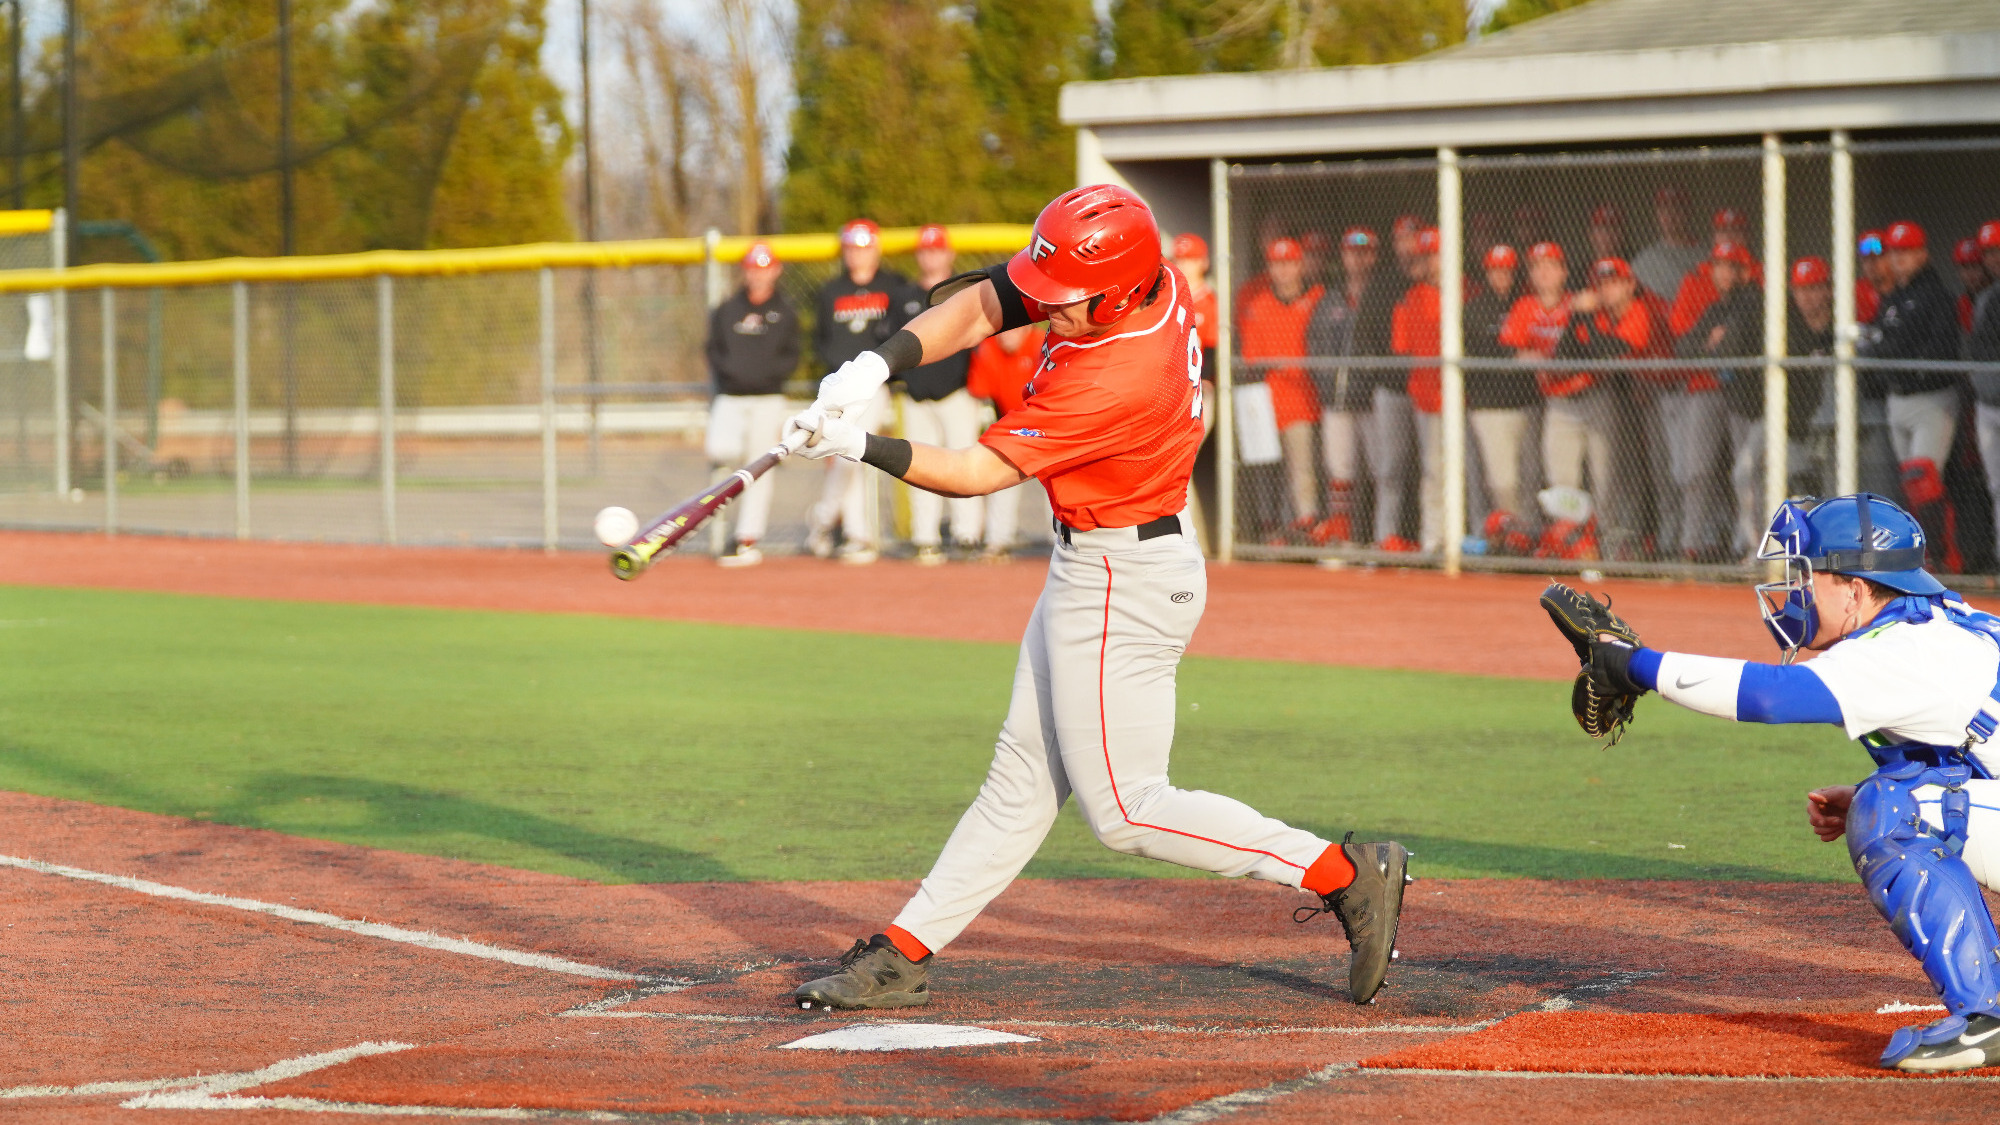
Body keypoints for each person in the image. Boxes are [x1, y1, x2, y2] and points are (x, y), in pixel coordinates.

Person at [779, 184, 1411, 1012]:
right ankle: (904, 949)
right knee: (1021, 778)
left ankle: (1344, 873)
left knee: (1128, 809)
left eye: (1064, 303)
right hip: (1096, 563)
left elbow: (975, 473)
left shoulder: (1119, 372)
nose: (1045, 314)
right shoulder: (1140, 278)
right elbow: (984, 301)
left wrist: (857, 443)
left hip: (1128, 577)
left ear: (1115, 291)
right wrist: (874, 364)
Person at [1574, 493, 2000, 1072]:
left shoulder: (1903, 651)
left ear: (1855, 589)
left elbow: (1769, 697)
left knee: (1897, 811)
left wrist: (1635, 664)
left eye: (1809, 576)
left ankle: (1986, 1017)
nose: (1794, 591)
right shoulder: (1938, 628)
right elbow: (1963, 755)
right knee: (1893, 799)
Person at [805, 218, 907, 565]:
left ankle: (845, 529)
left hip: (875, 387)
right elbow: (820, 340)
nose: (858, 255)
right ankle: (834, 526)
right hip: (837, 386)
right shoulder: (831, 291)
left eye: (863, 248)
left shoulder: (893, 287)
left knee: (853, 455)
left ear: (875, 249)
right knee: (846, 457)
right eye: (851, 248)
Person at [1862, 221, 1963, 567]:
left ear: (1922, 253)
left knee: (1924, 477)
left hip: (1931, 399)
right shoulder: (1892, 299)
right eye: (1895, 252)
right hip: (1897, 400)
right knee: (1911, 484)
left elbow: (1939, 349)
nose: (1900, 258)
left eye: (1907, 251)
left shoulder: (1935, 295)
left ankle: (1942, 555)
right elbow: (1879, 347)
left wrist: (1892, 352)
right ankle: (1924, 554)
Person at [1549, 257, 1665, 551]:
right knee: (1615, 473)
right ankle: (1581, 543)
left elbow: (1609, 352)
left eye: (1614, 283)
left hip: (1658, 395)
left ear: (1629, 284)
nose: (1607, 290)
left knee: (1650, 474)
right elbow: (1565, 356)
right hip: (1620, 397)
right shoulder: (1598, 315)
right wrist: (1577, 317)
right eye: (1602, 284)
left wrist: (1585, 319)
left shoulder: (1639, 310)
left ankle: (1633, 542)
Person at [701, 241, 800, 567]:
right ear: (744, 271)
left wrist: (766, 376)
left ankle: (746, 537)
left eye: (764, 268)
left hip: (768, 398)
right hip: (731, 397)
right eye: (752, 268)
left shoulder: (785, 311)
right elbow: (713, 350)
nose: (758, 275)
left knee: (760, 466)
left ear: (775, 270)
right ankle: (714, 529)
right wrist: (734, 374)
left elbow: (792, 354)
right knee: (720, 452)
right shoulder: (727, 309)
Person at [894, 225, 983, 565]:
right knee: (919, 468)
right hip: (918, 396)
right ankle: (925, 537)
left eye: (937, 249)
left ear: (949, 253)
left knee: (965, 463)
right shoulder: (904, 296)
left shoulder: (964, 290)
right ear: (919, 255)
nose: (931, 256)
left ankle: (967, 534)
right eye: (926, 250)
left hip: (958, 393)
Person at [1305, 227, 1394, 546]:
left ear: (1374, 255)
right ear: (1342, 256)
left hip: (1371, 400)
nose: (1358, 258)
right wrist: (1328, 384)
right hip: (1337, 399)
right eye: (1352, 252)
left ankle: (1376, 536)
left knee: (1379, 469)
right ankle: (1343, 537)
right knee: (1340, 470)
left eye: (1365, 251)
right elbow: (1314, 344)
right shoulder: (1330, 299)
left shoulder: (1383, 297)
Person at [1676, 241, 1765, 558]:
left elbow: (1733, 346)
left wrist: (1717, 342)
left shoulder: (1753, 300)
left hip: (1761, 405)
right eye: (1719, 266)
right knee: (1744, 476)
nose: (1723, 273)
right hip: (1736, 403)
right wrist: (1710, 341)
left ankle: (1759, 547)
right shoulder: (1717, 307)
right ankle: (1748, 545)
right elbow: (1683, 348)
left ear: (1743, 270)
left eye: (1731, 266)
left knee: (1750, 475)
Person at [1235, 237, 1324, 538]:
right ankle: (1271, 532)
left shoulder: (1318, 299)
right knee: (1267, 473)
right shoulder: (1258, 305)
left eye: (1289, 263)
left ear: (1300, 265)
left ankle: (1306, 529)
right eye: (1277, 264)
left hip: (1303, 401)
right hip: (1267, 402)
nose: (1284, 271)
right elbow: (1252, 360)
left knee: (1302, 472)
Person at [1464, 243, 1538, 552]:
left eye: (1506, 269)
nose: (1501, 276)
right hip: (1489, 406)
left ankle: (1528, 537)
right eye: (1496, 269)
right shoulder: (1475, 308)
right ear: (1487, 271)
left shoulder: (1526, 303)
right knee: (1502, 480)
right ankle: (1506, 540)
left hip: (1526, 403)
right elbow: (1481, 352)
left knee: (1531, 476)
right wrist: (1514, 356)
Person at [964, 321, 1045, 561]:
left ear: (1025, 329)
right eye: (1002, 332)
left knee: (1056, 486)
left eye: (1012, 330)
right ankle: (998, 540)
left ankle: (1062, 540)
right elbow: (980, 391)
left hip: (1044, 423)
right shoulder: (989, 348)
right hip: (1010, 423)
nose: (1006, 337)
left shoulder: (1040, 343)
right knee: (1000, 480)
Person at [1395, 227, 1447, 552]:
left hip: (1465, 400)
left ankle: (1479, 539)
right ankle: (1433, 540)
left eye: (1437, 254)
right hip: (1427, 398)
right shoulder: (1411, 296)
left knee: (1472, 474)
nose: (1433, 263)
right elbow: (1402, 347)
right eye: (1427, 257)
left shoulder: (1465, 291)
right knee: (1433, 472)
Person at [1174, 233, 1222, 549]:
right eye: (1179, 259)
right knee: (1179, 468)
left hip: (1200, 390)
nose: (1184, 265)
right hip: (1173, 393)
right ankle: (1195, 542)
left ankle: (1194, 543)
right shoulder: (1171, 300)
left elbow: (1215, 355)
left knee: (1180, 465)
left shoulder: (1210, 299)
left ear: (1203, 262)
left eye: (1190, 259)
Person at [1787, 256, 1836, 496]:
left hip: (1836, 430)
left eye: (1813, 288)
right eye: (1800, 289)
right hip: (1796, 428)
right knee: (1798, 489)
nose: (1806, 296)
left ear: (1828, 290)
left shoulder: (1840, 328)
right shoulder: (1786, 331)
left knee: (1833, 491)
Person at [1967, 221, 2000, 555]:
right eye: (1989, 252)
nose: (1994, 259)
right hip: (1988, 403)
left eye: (1998, 251)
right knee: (1996, 486)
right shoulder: (1987, 296)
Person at [1631, 185, 1703, 306]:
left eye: (1676, 208)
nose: (1670, 214)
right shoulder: (1644, 260)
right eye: (1664, 208)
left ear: (1688, 212)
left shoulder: (1707, 254)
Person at [1956, 238, 1988, 333]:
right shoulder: (1962, 304)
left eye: (1974, 267)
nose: (1969, 275)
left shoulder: (1996, 298)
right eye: (1965, 267)